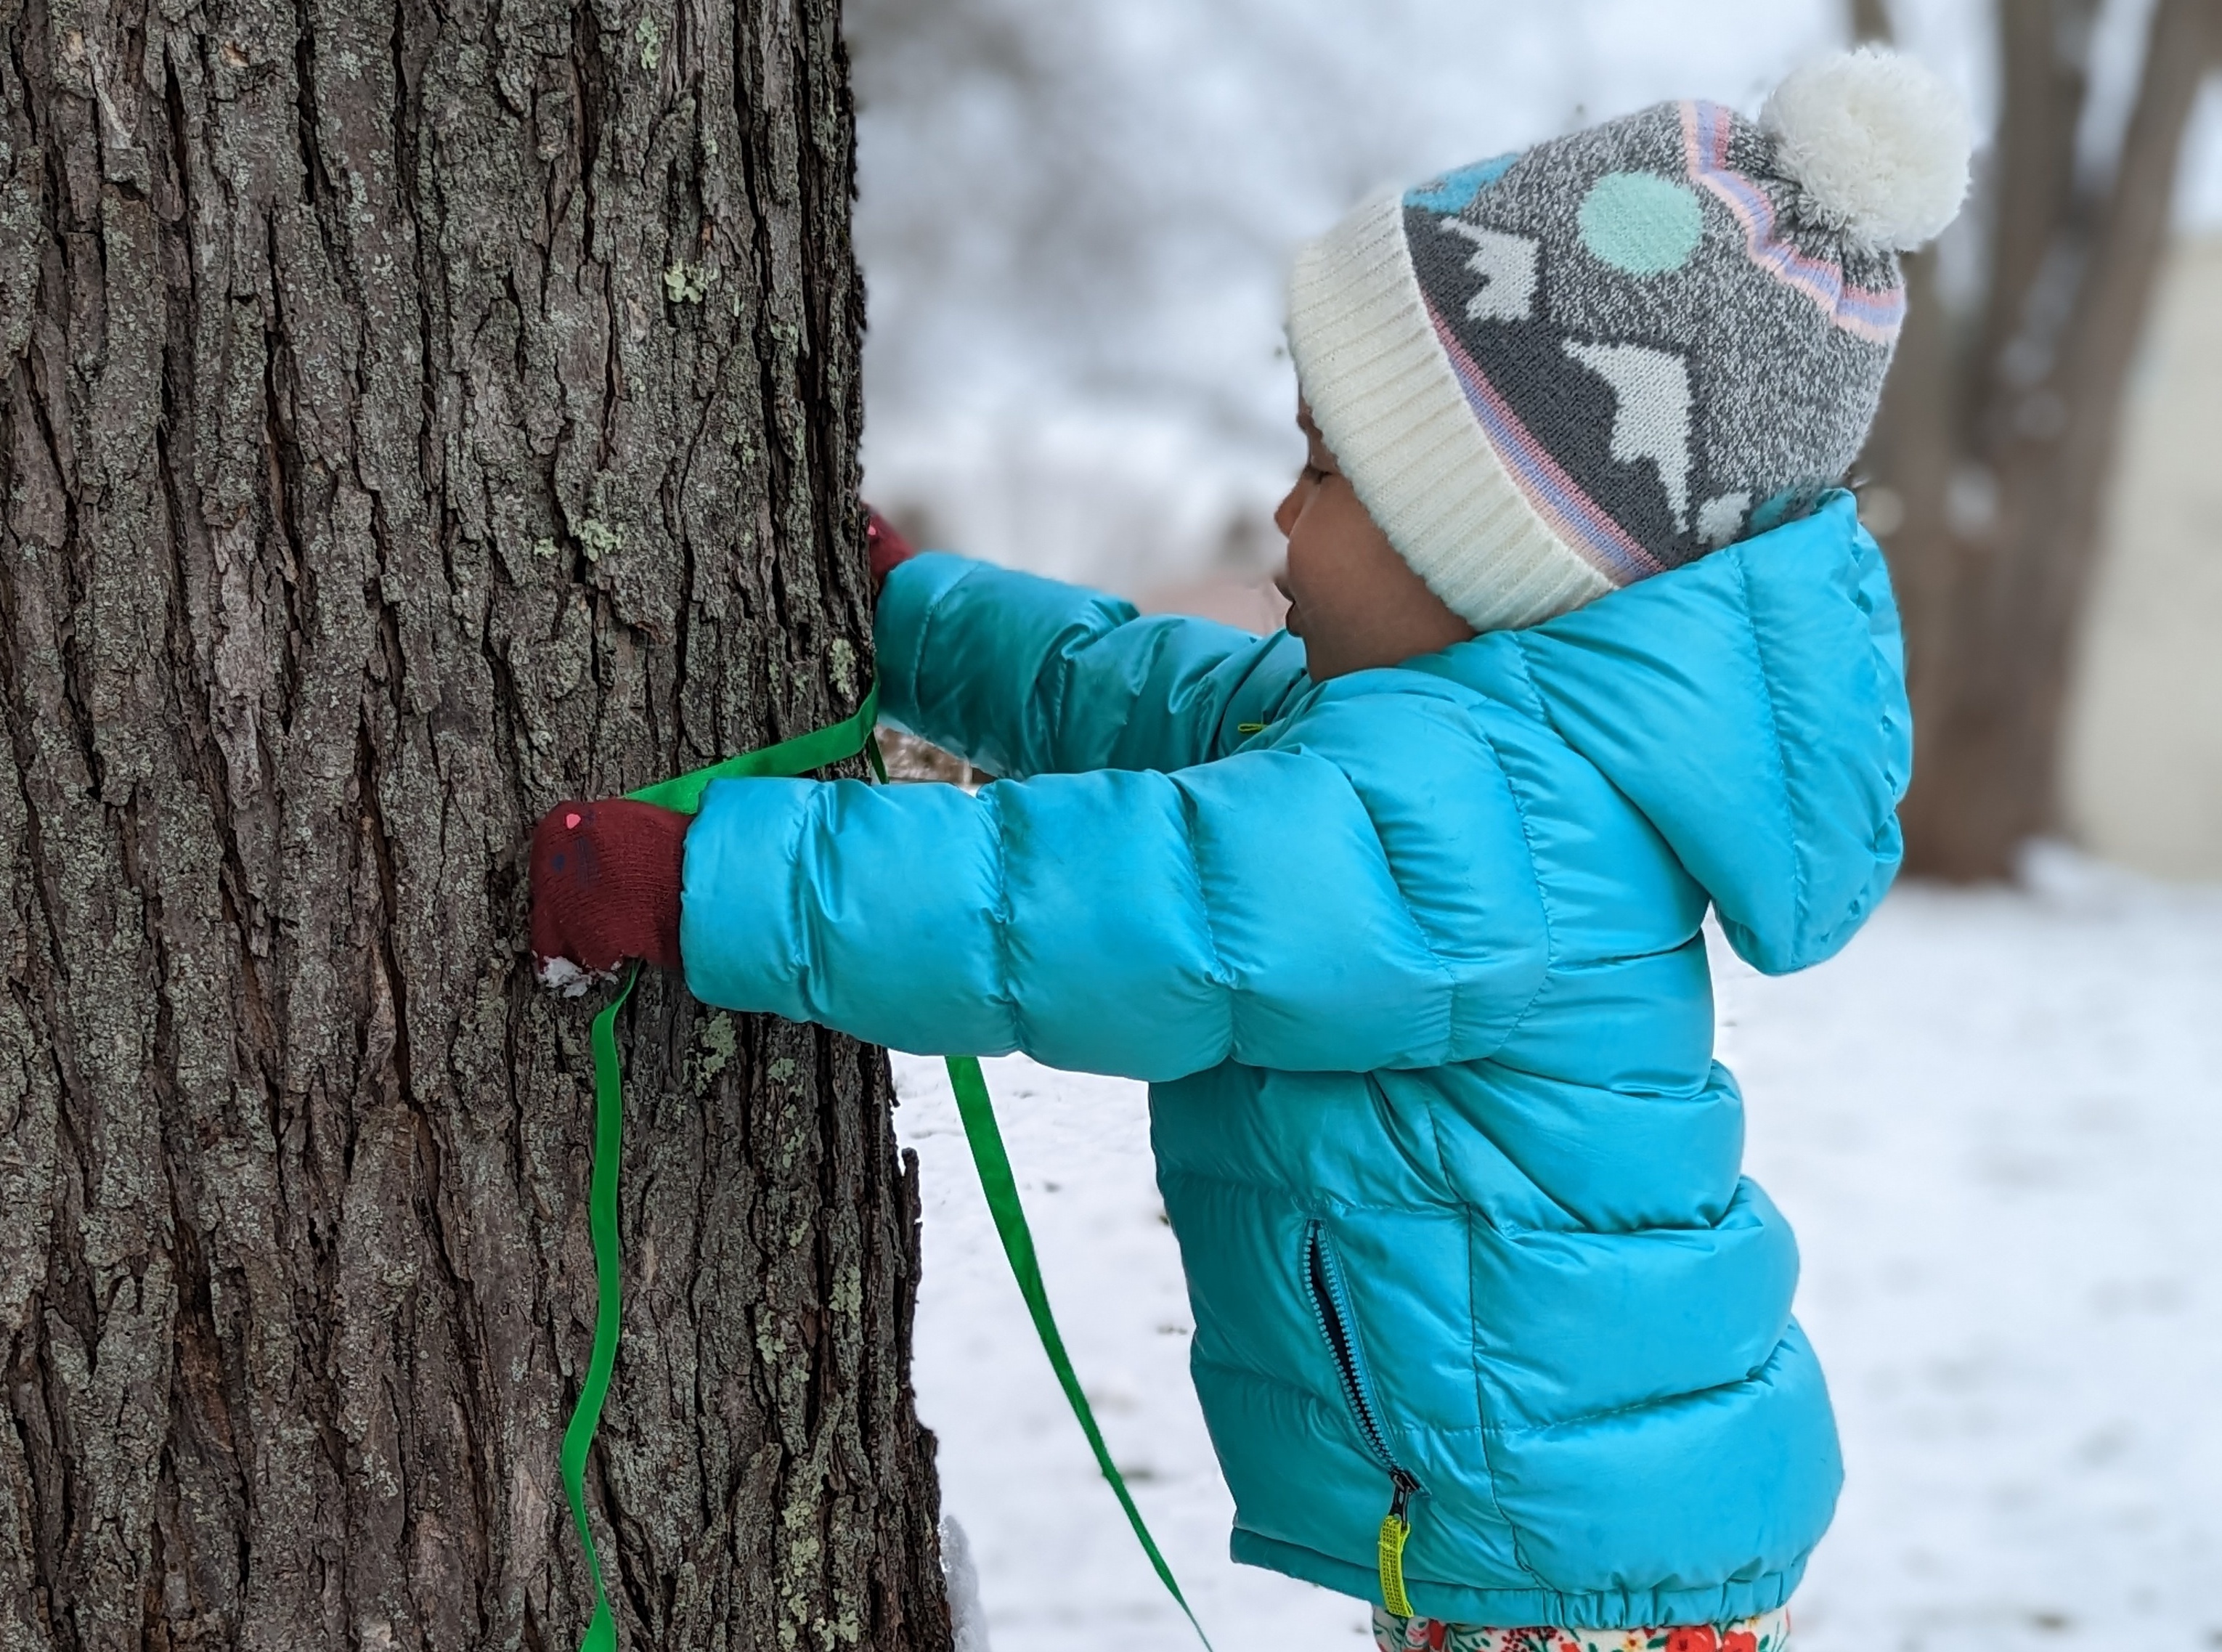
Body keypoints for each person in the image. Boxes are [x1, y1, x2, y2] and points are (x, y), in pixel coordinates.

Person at [529, 46, 1970, 1648]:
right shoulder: (1435, 744)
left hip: (1566, 1569)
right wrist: (912, 618)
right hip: (1579, 1514)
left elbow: (1122, 906)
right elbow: (1132, 694)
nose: (1282, 516)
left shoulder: (1466, 816)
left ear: (1487, 547)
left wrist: (712, 881)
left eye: (1329, 473)